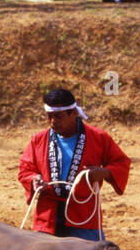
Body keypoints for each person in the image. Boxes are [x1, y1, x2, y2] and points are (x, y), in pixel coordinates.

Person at [17, 89, 131, 241]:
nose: (53, 121)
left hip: (83, 214)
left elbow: (121, 163)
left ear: (73, 114)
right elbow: (25, 169)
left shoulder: (98, 138)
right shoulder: (39, 139)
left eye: (59, 116)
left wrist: (103, 172)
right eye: (49, 117)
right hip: (47, 216)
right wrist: (34, 179)